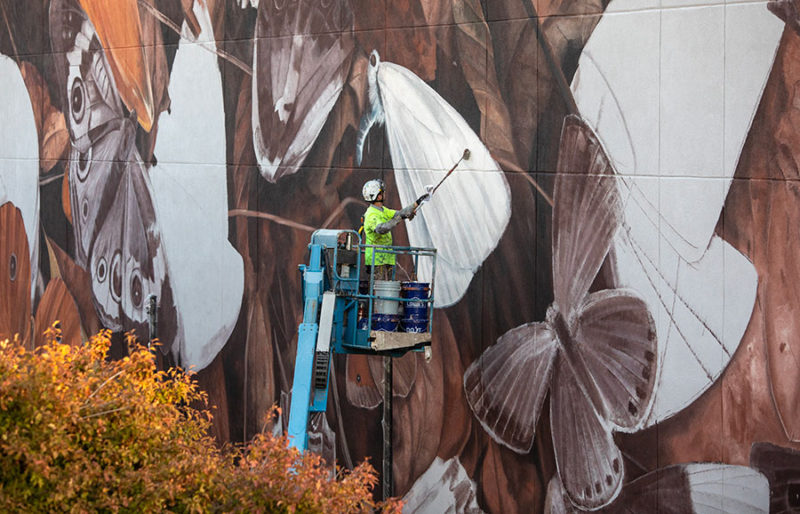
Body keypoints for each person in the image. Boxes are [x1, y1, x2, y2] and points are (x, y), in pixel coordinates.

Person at [361, 179, 427, 280]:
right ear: (378, 196)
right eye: (382, 192)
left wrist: (417, 203)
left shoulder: (383, 210)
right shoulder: (371, 214)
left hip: (386, 258)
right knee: (380, 290)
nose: (384, 194)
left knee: (387, 289)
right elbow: (381, 229)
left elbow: (400, 214)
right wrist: (399, 218)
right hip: (377, 261)